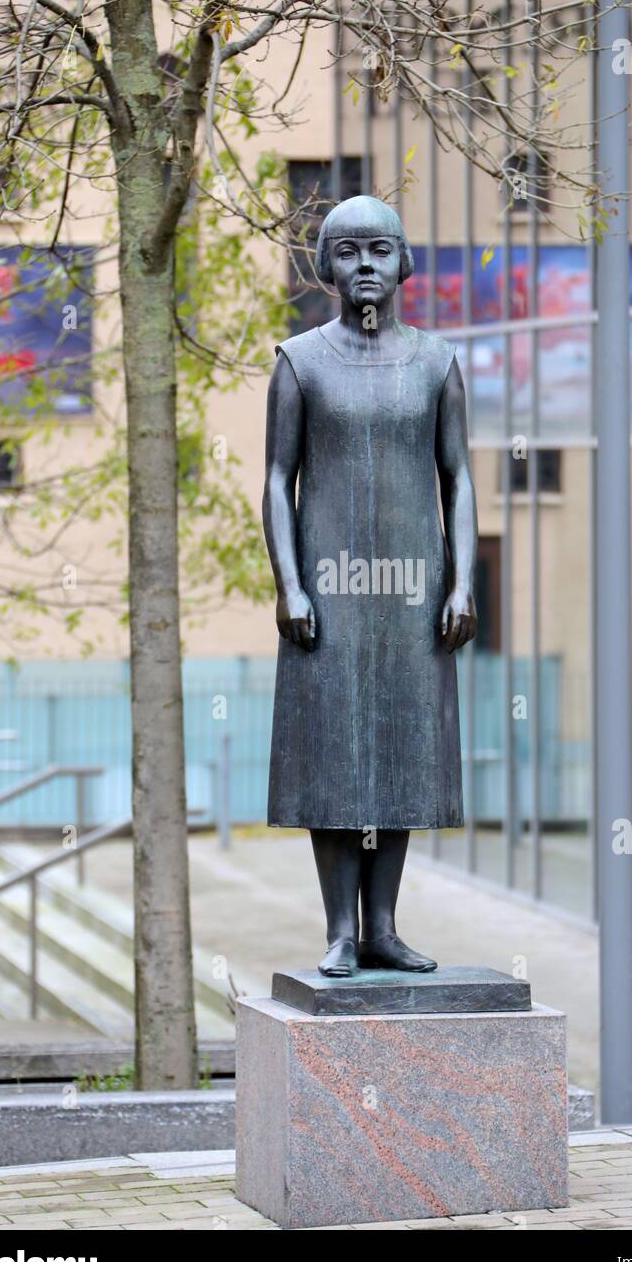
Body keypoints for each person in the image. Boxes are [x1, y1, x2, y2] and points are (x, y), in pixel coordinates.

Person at [263, 195, 478, 977]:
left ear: (403, 263)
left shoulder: (436, 364)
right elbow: (277, 480)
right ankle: (339, 932)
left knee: (400, 754)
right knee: (334, 760)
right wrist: (290, 585)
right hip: (328, 594)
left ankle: (382, 925)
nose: (363, 267)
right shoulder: (299, 362)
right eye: (347, 251)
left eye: (378, 251)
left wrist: (460, 583)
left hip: (412, 594)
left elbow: (457, 477)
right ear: (325, 267)